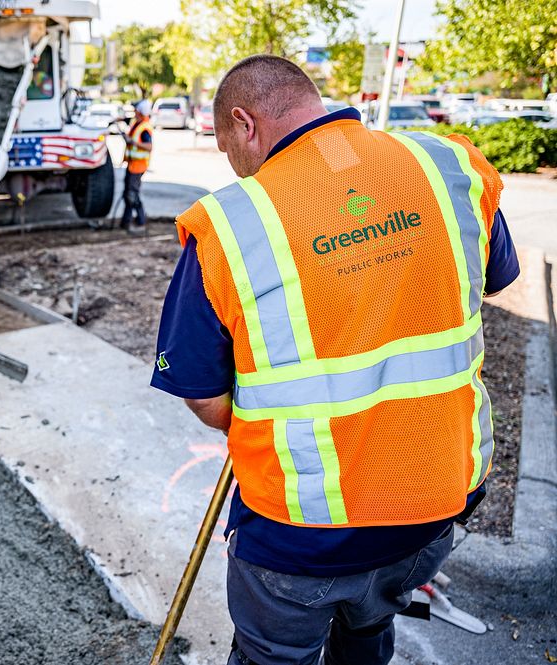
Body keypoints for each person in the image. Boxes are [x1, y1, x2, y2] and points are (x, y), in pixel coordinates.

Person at [151, 55, 520, 665]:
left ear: (244, 123)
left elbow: (206, 396)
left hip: (301, 538)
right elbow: (496, 276)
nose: (234, 164)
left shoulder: (230, 224)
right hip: (432, 509)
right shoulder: (447, 166)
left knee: (275, 655)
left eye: (226, 147)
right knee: (369, 631)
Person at [122, 99, 154, 235]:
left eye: (136, 110)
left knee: (132, 194)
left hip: (138, 166)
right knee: (128, 194)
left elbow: (149, 146)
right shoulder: (137, 123)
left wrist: (132, 142)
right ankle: (125, 221)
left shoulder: (145, 127)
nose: (134, 112)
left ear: (140, 112)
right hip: (132, 164)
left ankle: (141, 221)